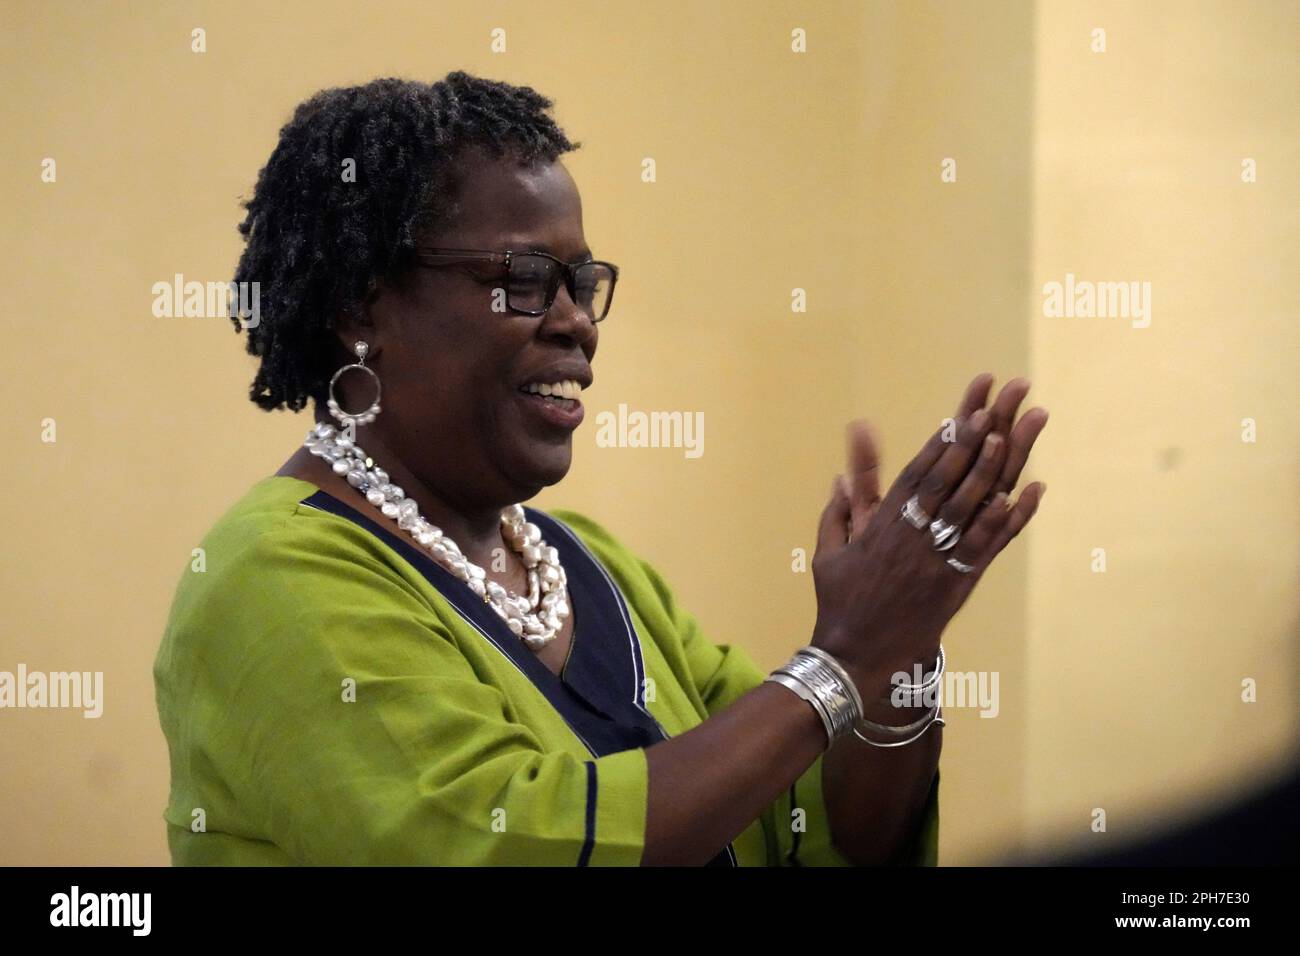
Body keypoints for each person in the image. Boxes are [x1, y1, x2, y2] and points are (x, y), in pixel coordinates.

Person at [153, 71, 1048, 866]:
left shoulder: (589, 566)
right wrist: (838, 661)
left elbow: (820, 824)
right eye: (527, 276)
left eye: (584, 285)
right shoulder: (273, 578)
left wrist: (898, 651)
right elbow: (502, 839)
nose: (577, 321)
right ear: (360, 307)